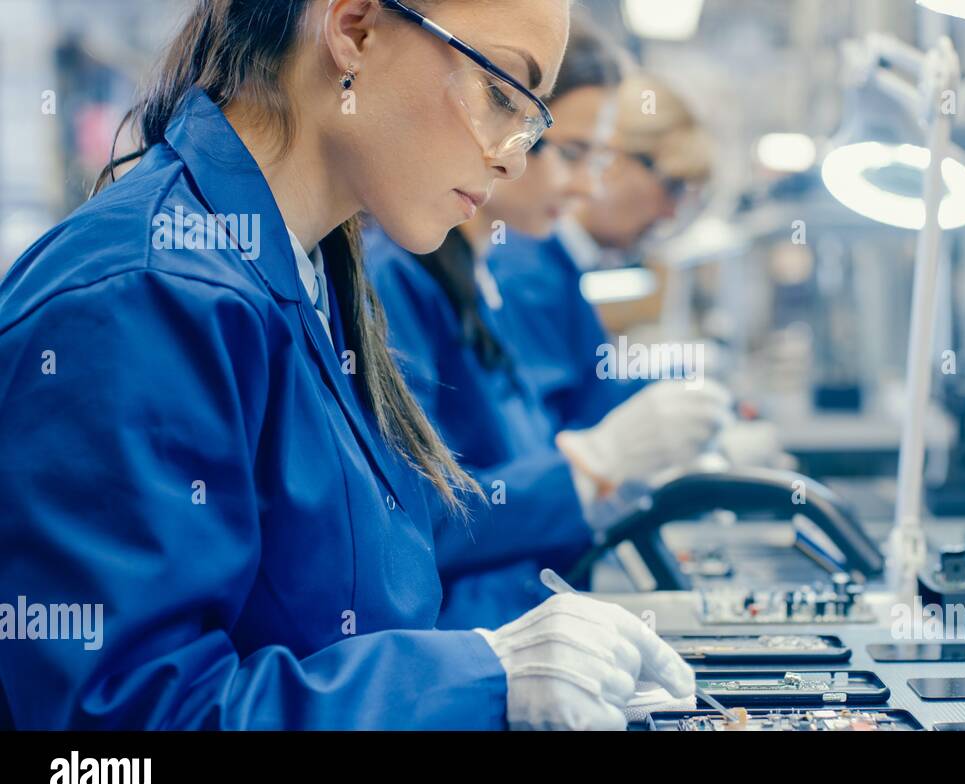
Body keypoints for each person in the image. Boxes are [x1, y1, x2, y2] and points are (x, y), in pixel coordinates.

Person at [0, 0, 692, 732]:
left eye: (531, 117)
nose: (514, 155)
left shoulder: (314, 276)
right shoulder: (142, 297)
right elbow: (120, 740)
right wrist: (481, 677)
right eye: (500, 92)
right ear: (354, 29)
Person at [366, 19, 732, 631]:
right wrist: (590, 464)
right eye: (572, 154)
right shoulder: (400, 282)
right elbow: (417, 527)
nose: (587, 185)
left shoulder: (481, 283)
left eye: (599, 158)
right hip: (468, 639)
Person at [489, 73, 715, 433]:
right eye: (671, 186)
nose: (671, 212)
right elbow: (553, 432)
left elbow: (584, 397)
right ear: (613, 157)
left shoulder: (560, 265)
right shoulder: (524, 270)